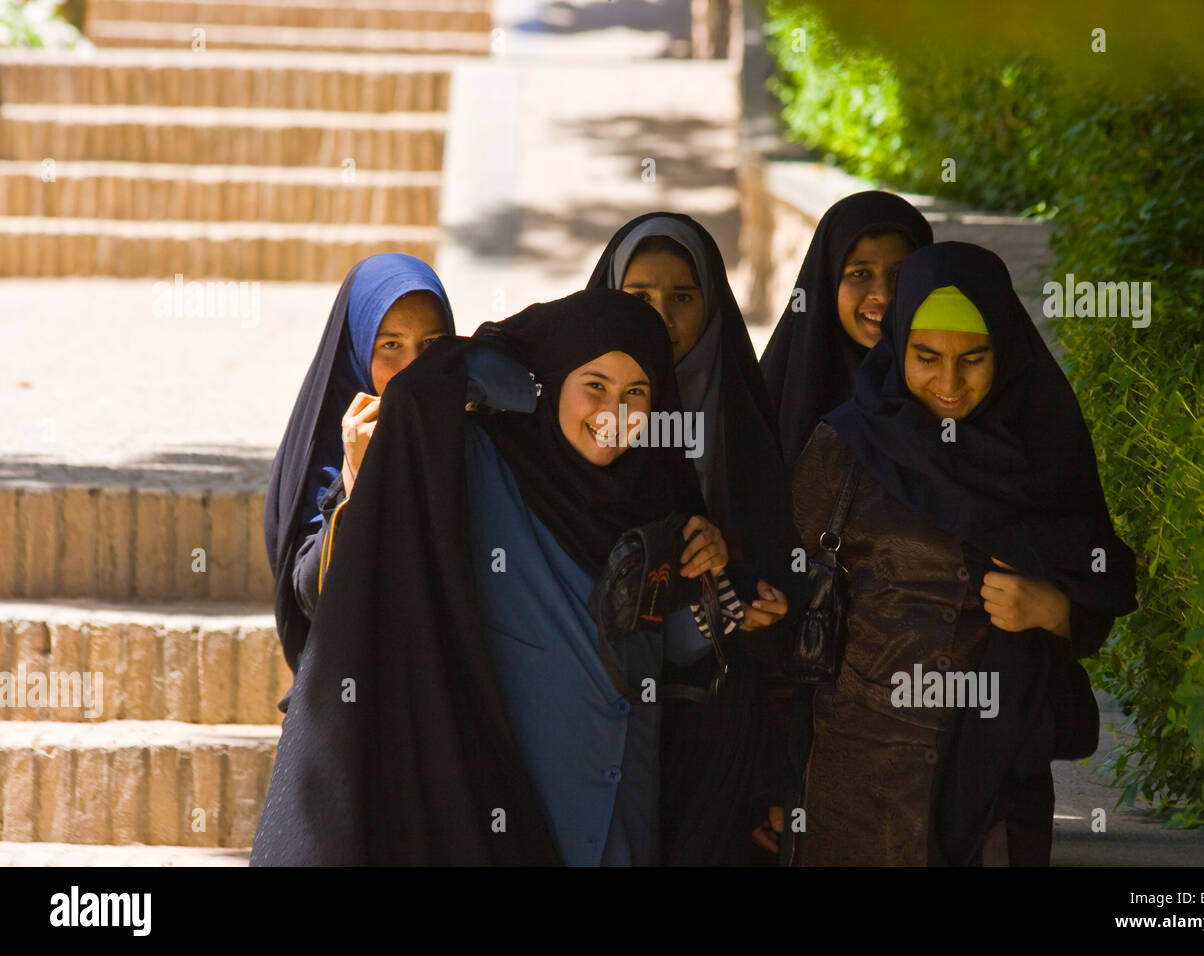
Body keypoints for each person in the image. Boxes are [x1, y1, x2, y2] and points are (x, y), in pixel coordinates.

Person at [251, 289, 733, 865]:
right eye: (594, 387)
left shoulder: (656, 495)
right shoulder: (490, 467)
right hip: (516, 810)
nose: (615, 415)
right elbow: (429, 386)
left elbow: (676, 649)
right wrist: (522, 377)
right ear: (552, 380)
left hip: (624, 822)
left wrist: (710, 575)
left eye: (637, 393)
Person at [778, 241, 1138, 866]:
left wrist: (1053, 609)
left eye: (973, 359)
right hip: (858, 777)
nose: (949, 383)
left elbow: (1100, 585)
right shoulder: (848, 446)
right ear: (897, 347)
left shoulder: (1042, 449)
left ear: (1005, 348)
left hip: (997, 779)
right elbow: (783, 599)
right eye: (926, 357)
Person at [587, 212, 804, 862]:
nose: (662, 316)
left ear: (712, 305)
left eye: (683, 296)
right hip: (594, 706)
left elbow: (778, 568)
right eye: (640, 297)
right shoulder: (575, 408)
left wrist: (753, 590)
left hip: (713, 723)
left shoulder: (742, 420)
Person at [263, 253, 452, 675]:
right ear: (356, 347)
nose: (412, 367)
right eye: (390, 345)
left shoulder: (469, 436)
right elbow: (314, 600)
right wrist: (357, 479)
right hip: (350, 696)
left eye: (433, 344)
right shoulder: (323, 454)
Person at [760, 190, 934, 465]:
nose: (884, 294)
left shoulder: (947, 387)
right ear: (827, 283)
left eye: (900, 275)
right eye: (860, 274)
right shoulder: (776, 396)